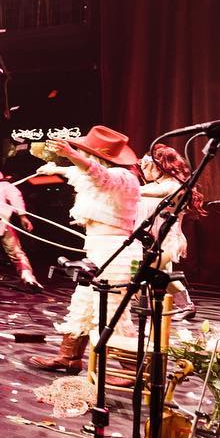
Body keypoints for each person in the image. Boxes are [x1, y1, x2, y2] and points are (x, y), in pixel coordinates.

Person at [27, 127, 142, 373]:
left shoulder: (122, 177)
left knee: (112, 311)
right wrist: (56, 168)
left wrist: (70, 154)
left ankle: (132, 371)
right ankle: (69, 357)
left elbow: (97, 174)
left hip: (116, 254)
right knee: (83, 303)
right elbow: (83, 173)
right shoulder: (103, 175)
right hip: (99, 251)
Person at [138, 144, 203, 317]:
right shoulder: (154, 185)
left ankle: (149, 310)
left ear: (159, 166)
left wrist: (119, 185)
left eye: (146, 166)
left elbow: (146, 192)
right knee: (162, 275)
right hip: (151, 239)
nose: (143, 170)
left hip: (168, 240)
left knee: (144, 271)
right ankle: (186, 306)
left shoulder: (173, 186)